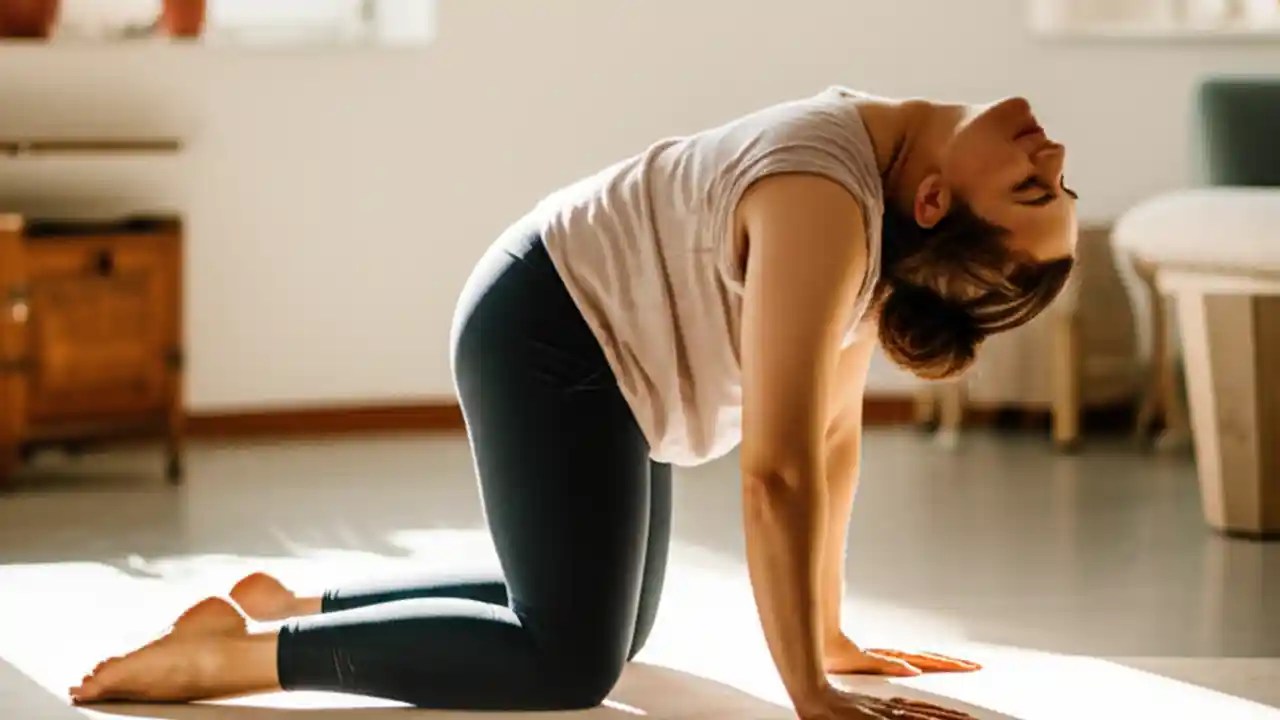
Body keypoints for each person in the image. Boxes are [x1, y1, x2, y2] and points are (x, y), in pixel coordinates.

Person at [70, 86, 1076, 719]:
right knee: (564, 665)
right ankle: (236, 660)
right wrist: (806, 694)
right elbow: (774, 474)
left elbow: (828, 437)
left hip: (602, 348)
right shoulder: (830, 190)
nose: (1053, 159)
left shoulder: (876, 215)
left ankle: (286, 603)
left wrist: (825, 635)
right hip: (549, 325)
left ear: (936, 210)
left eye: (1037, 191)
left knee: (603, 628)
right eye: (1048, 186)